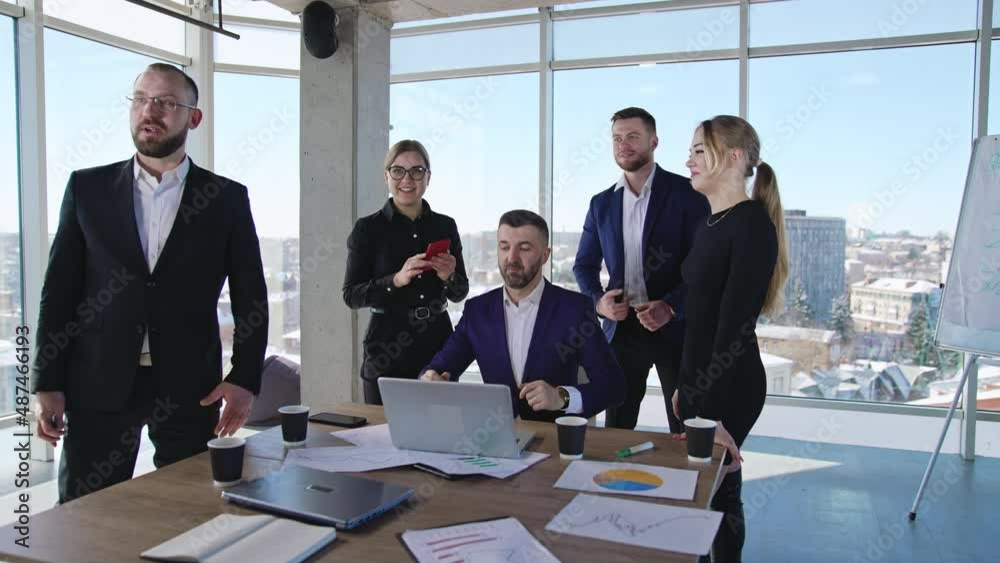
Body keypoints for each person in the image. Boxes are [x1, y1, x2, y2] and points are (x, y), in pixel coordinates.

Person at [32, 63, 269, 503]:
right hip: (98, 381)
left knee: (190, 509)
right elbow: (58, 292)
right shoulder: (88, 189)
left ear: (193, 118)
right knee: (88, 516)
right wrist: (47, 380)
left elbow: (250, 295)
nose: (150, 111)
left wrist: (244, 379)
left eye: (165, 102)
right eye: (141, 99)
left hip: (190, 386)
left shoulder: (226, 198)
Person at [672, 115, 789, 563]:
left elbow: (734, 327)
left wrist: (713, 415)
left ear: (735, 157)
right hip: (702, 381)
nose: (689, 160)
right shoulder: (709, 225)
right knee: (704, 493)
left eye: (700, 150)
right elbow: (699, 321)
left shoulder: (752, 225)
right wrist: (686, 386)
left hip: (732, 385)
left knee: (718, 497)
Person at [574, 107, 710, 431]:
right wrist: (599, 302)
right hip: (622, 330)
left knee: (686, 427)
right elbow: (583, 265)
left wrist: (671, 306)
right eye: (617, 138)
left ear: (654, 141)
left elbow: (704, 266)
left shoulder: (688, 195)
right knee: (617, 429)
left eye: (633, 137)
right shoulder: (601, 203)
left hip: (675, 327)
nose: (623, 144)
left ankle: (690, 481)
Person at [422, 210, 625, 422]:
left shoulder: (575, 309)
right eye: (504, 247)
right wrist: (430, 378)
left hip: (553, 441)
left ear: (545, 255)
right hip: (492, 440)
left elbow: (613, 387)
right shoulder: (477, 311)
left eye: (525, 248)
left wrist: (561, 397)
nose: (512, 258)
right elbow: (437, 369)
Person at [343, 140, 469, 405]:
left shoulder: (445, 226)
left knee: (438, 433)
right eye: (398, 171)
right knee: (381, 436)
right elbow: (352, 295)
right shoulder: (368, 229)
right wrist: (395, 280)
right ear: (386, 176)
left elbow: (461, 292)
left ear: (428, 177)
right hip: (386, 347)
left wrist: (449, 277)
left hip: (438, 344)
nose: (407, 179)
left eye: (417, 171)